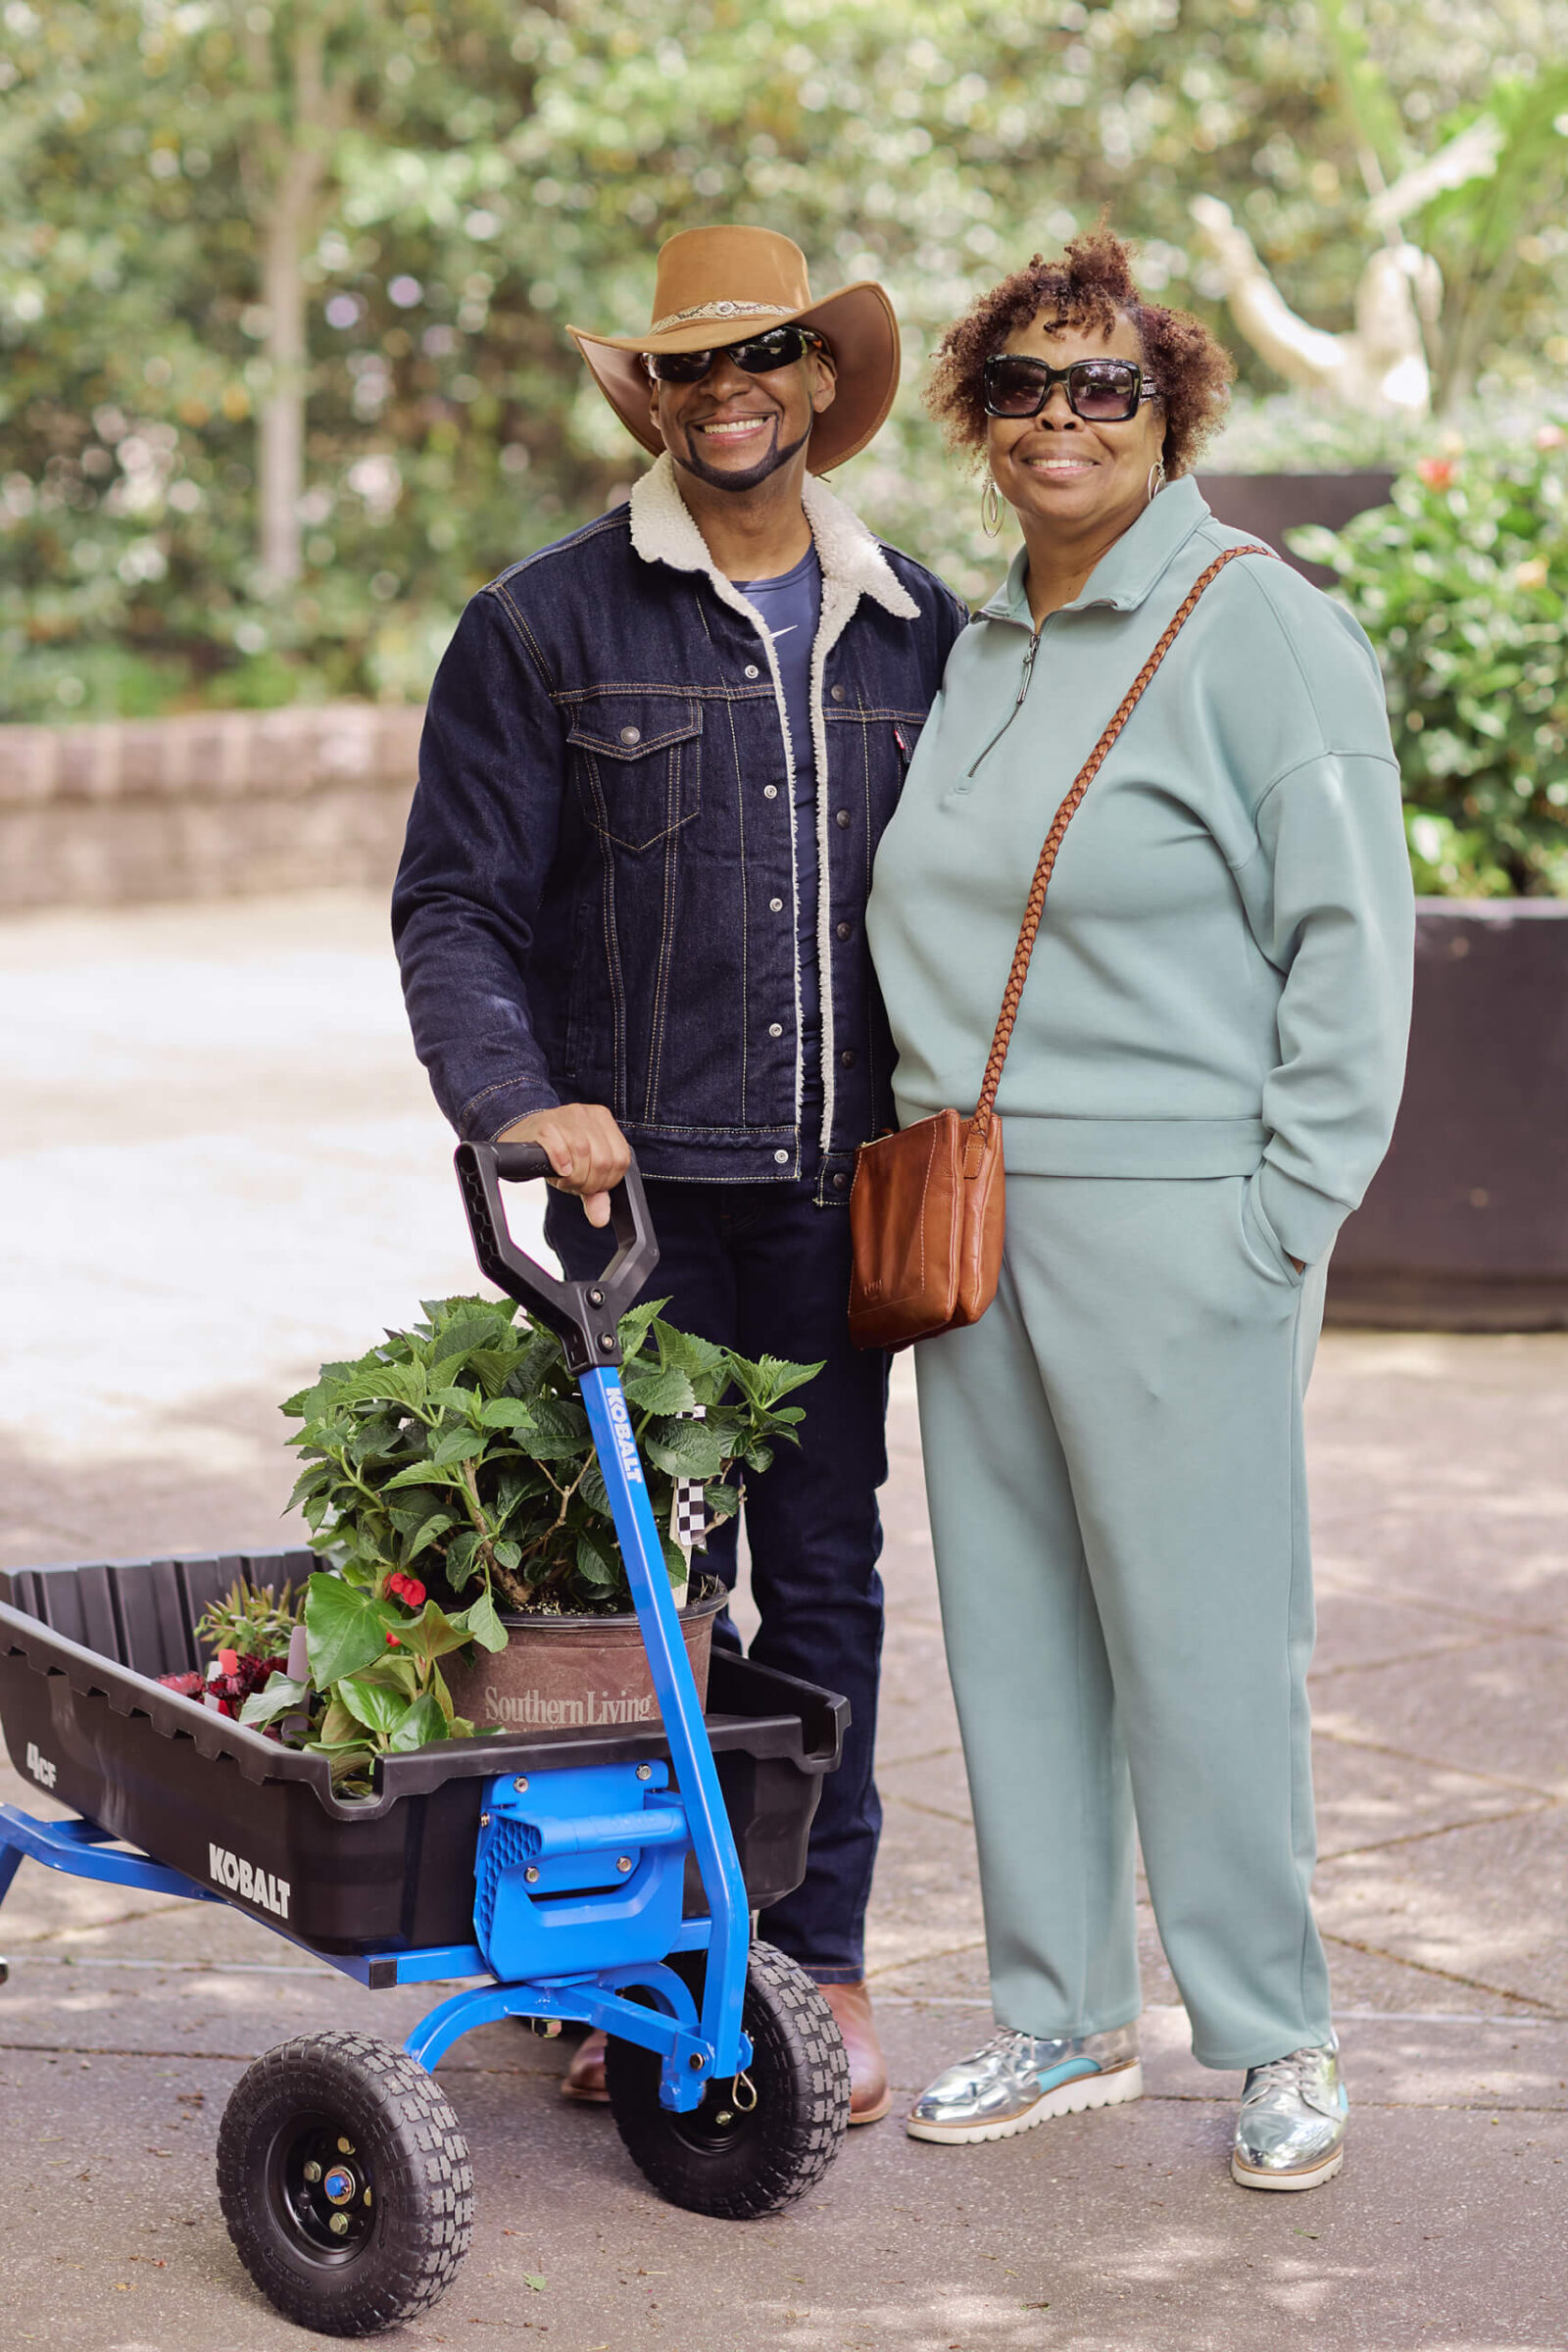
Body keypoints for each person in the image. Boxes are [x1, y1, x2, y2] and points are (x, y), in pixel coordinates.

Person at [393, 225, 968, 2123]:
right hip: (630, 1216)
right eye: (690, 363)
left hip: (834, 1204)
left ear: (817, 383)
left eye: (768, 356)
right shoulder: (541, 625)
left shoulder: (917, 633)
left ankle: (812, 1961)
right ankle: (624, 1958)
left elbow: (987, 901)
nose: (730, 390)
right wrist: (517, 1098)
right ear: (650, 393)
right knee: (637, 1603)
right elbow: (456, 907)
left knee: (819, 1586)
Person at [864, 229, 1413, 2188]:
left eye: (1100, 384)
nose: (1057, 419)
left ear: (1170, 409)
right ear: (976, 424)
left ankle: (1272, 2034)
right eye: (1018, 386)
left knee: (1199, 1640)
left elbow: (1352, 940)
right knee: (1011, 1633)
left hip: (1180, 1216)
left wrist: (1283, 1215)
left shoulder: (1253, 625)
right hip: (974, 1215)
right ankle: (1056, 2016)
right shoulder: (979, 635)